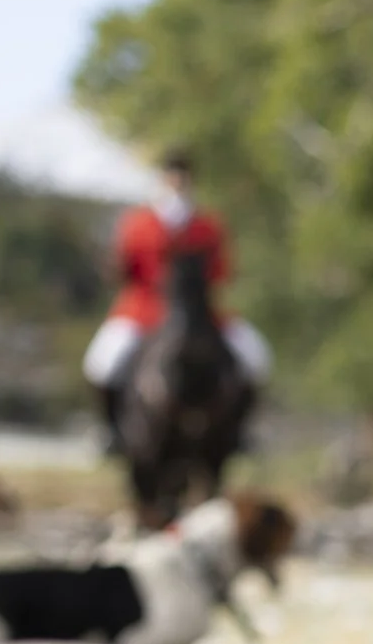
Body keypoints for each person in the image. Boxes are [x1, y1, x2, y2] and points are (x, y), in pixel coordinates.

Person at [84, 150, 272, 444]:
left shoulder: (207, 226)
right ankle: (111, 432)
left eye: (182, 177)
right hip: (143, 311)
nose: (177, 183)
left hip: (200, 314)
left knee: (256, 357)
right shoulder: (137, 223)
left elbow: (222, 273)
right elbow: (124, 270)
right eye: (172, 176)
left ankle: (240, 432)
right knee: (101, 363)